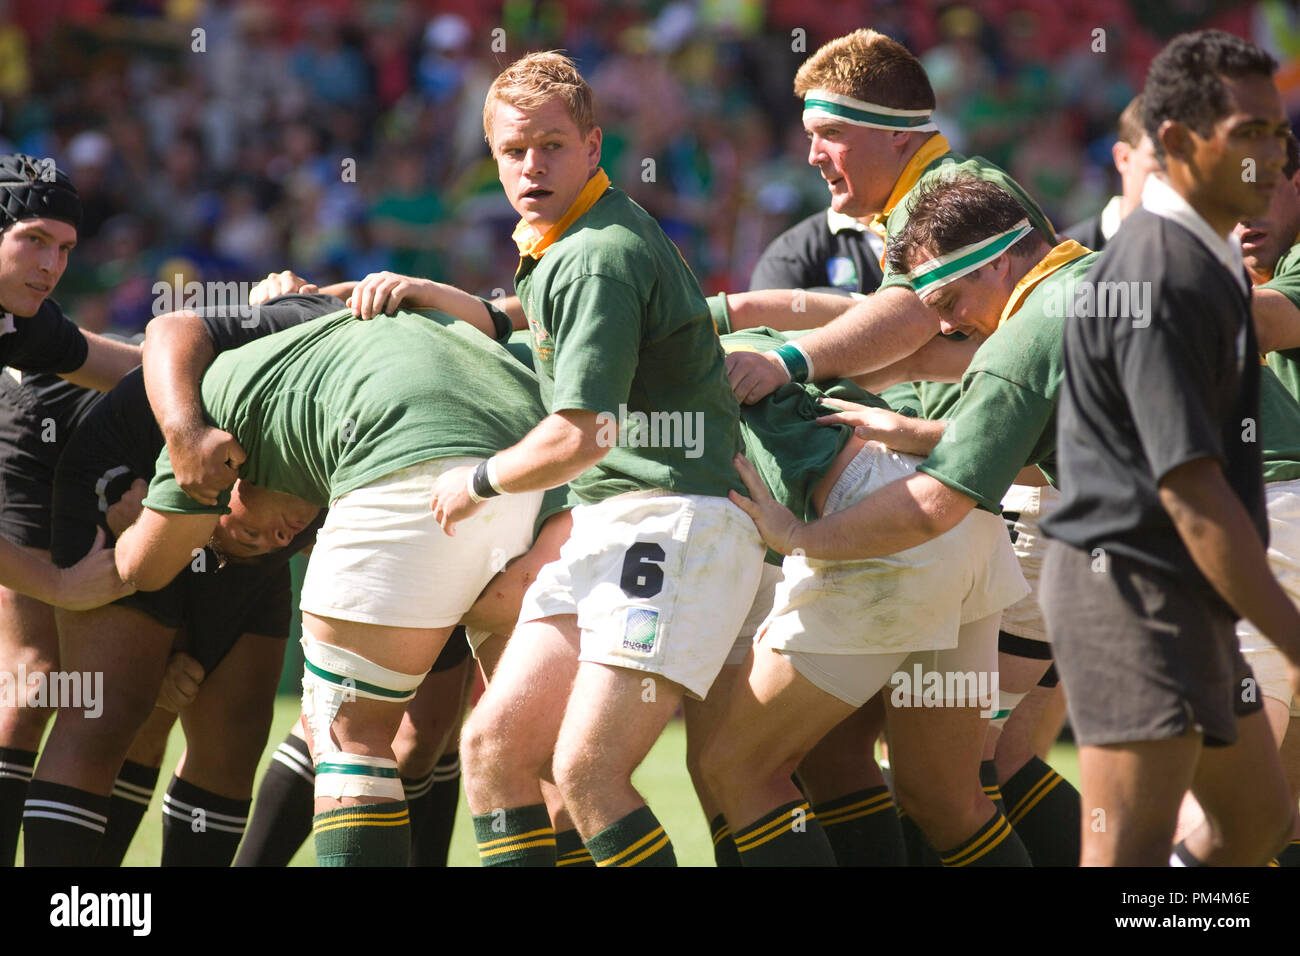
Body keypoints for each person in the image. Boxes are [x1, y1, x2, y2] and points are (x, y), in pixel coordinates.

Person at [446, 51, 765, 867]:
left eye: (552, 145)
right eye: (514, 150)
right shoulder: (566, 240)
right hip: (616, 521)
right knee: (491, 749)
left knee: (586, 771)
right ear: (493, 157)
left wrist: (479, 480)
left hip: (672, 522)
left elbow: (585, 433)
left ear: (594, 147)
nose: (532, 165)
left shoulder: (595, 253)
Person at [1040, 30, 1300, 866]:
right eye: (1249, 135)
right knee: (1126, 855)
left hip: (1188, 595)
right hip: (1130, 594)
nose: (1275, 157)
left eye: (1279, 134)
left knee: (1255, 824)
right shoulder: (1161, 273)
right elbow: (1192, 493)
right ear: (1180, 144)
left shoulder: (1212, 260)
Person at [0, 152, 143, 866]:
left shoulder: (20, 321)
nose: (51, 264)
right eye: (32, 240)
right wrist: (55, 584)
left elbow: (110, 361)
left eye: (64, 248)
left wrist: (228, 350)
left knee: (32, 687)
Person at [1061, 95, 1162, 251]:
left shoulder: (1201, 245)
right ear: (1123, 157)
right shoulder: (1073, 253)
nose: (1174, 169)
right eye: (1159, 156)